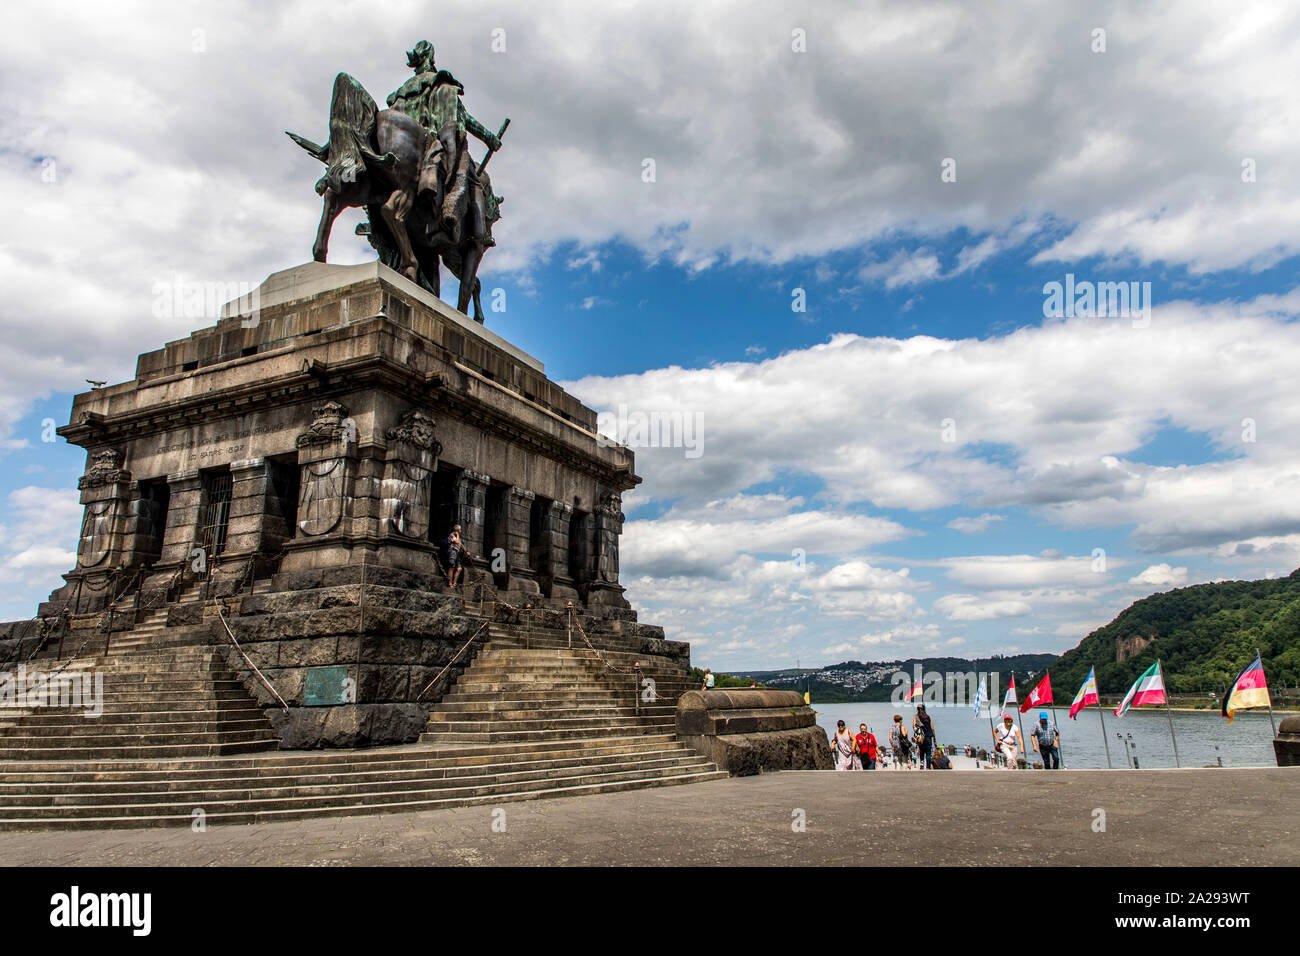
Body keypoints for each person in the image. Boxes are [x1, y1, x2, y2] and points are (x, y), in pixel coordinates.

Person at [913, 704, 936, 770]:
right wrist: (934, 739)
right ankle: (928, 767)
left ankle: (922, 764)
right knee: (928, 753)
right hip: (928, 736)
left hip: (921, 737)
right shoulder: (928, 717)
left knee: (922, 751)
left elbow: (914, 726)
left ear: (917, 709)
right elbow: (932, 728)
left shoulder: (916, 717)